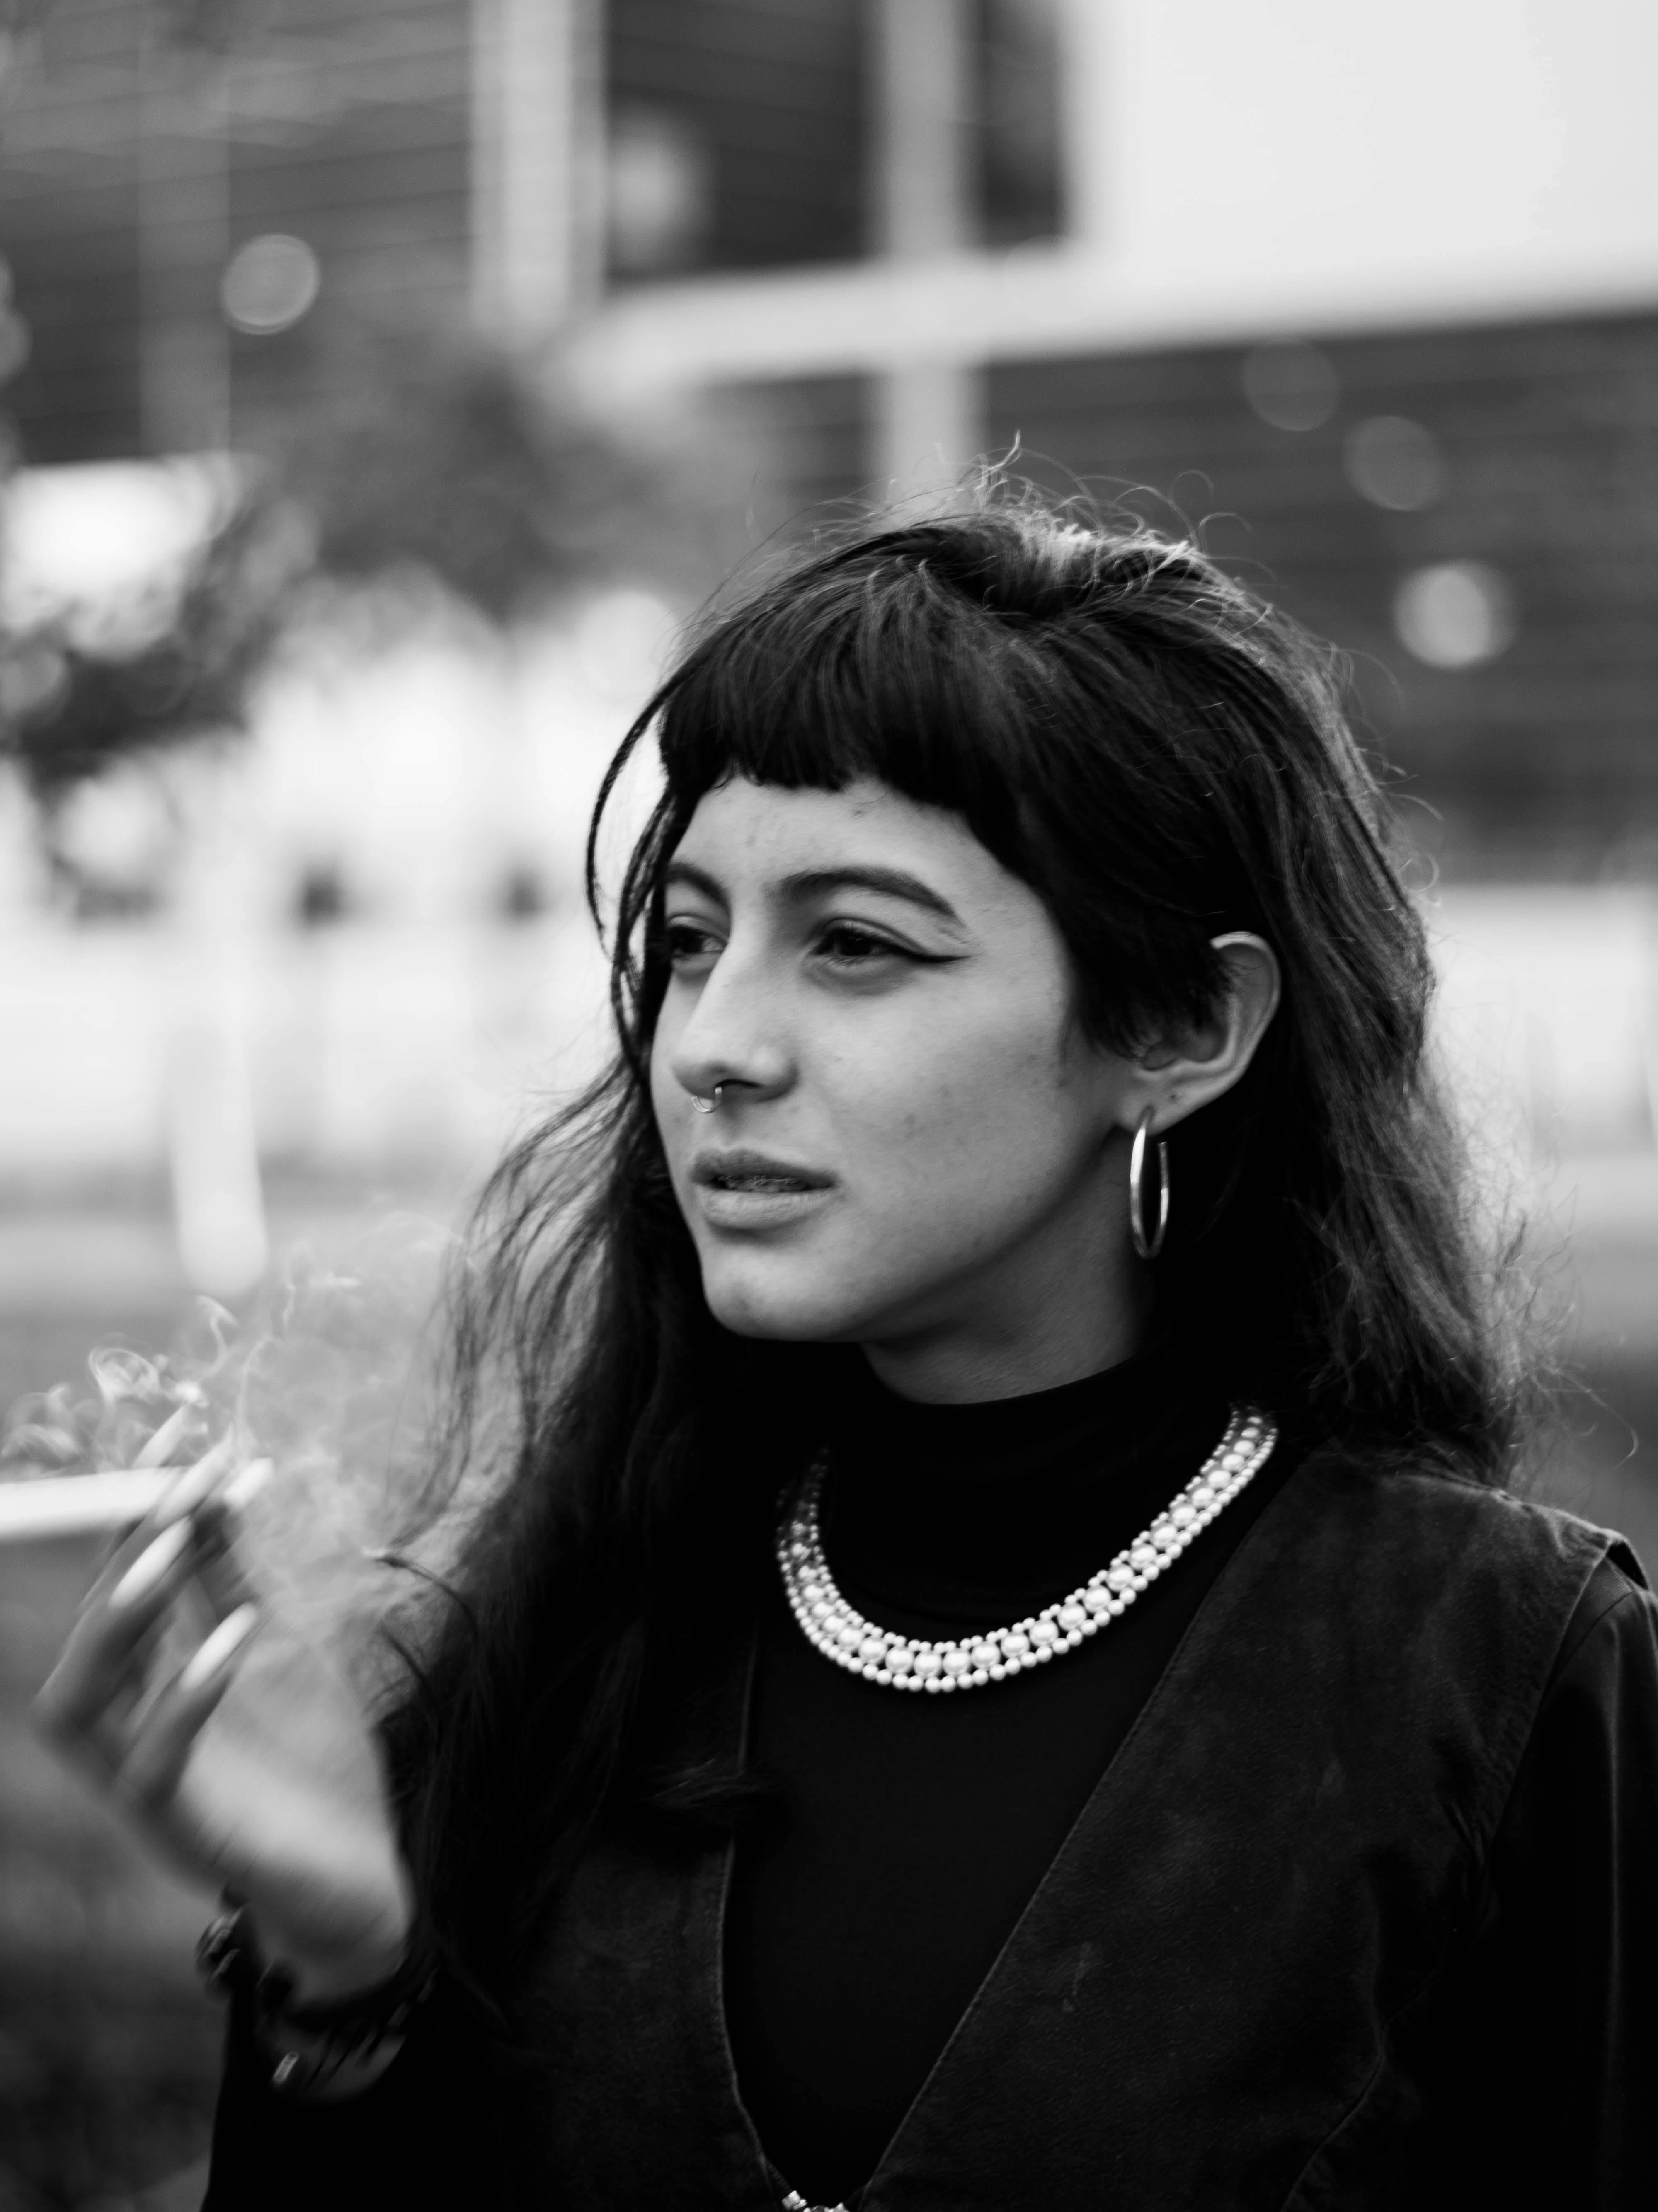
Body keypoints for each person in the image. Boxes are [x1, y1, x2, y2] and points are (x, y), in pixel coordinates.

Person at [39, 496, 1658, 2210]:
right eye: (684, 942)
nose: (716, 1045)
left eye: (859, 945)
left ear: (1182, 1028)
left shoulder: (1502, 1682)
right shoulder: (564, 1642)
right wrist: (342, 1970)